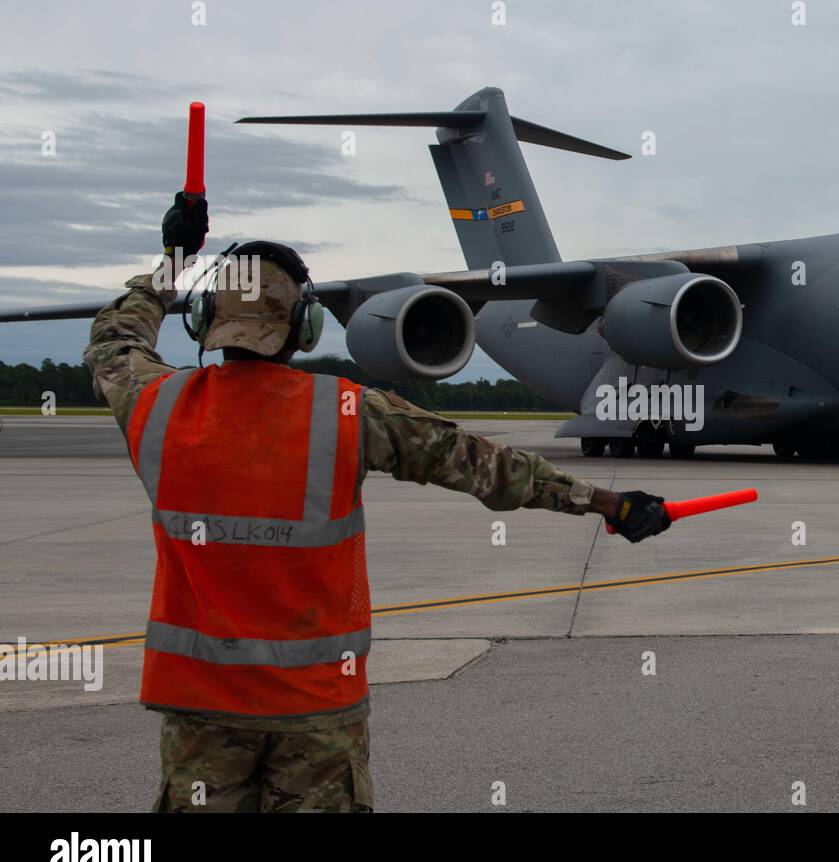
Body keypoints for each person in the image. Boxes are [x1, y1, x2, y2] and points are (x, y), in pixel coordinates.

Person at [82, 193, 671, 813]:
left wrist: (174, 261)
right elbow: (484, 465)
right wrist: (606, 503)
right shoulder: (345, 412)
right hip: (314, 710)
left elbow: (113, 339)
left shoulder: (156, 404)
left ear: (207, 321)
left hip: (199, 704)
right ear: (303, 327)